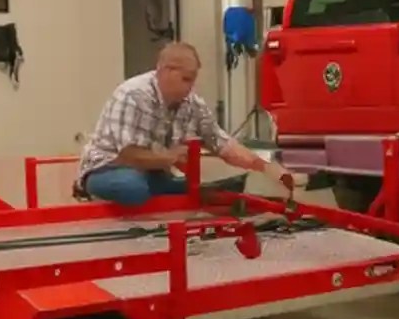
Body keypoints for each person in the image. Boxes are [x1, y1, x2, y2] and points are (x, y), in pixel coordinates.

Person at [75, 41, 292, 206]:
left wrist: (266, 167)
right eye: (186, 79)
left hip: (153, 170)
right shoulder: (133, 95)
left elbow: (221, 143)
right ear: (165, 72)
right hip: (109, 168)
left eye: (193, 80)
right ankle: (86, 187)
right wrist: (170, 157)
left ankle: (163, 188)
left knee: (211, 188)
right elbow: (128, 155)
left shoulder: (191, 103)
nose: (190, 87)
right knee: (132, 188)